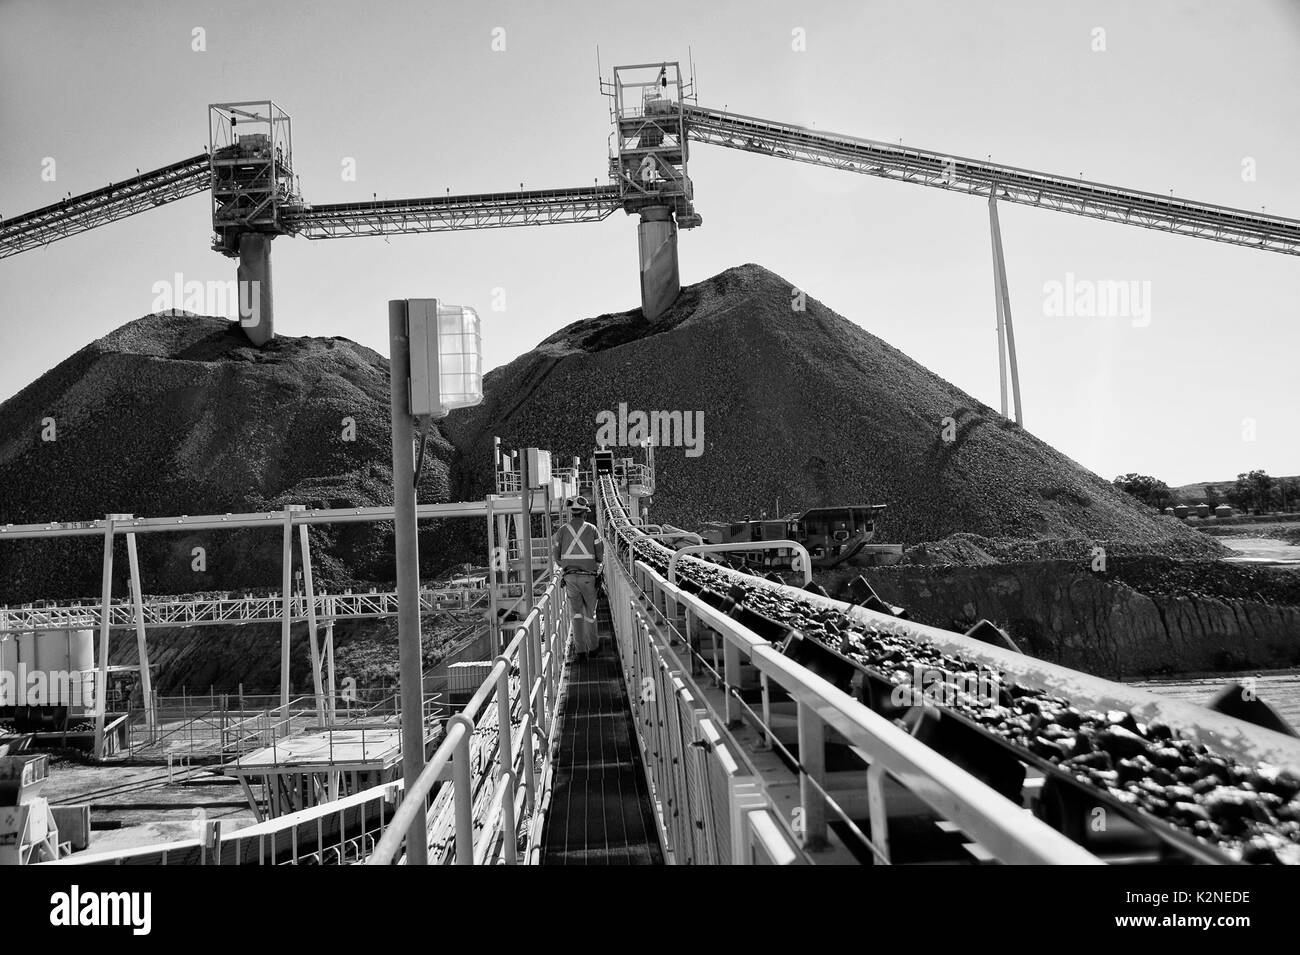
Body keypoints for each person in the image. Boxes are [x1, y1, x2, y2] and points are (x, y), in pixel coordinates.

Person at [554, 496, 604, 661]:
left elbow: (557, 556)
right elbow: (600, 556)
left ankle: (580, 652)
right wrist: (592, 564)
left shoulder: (562, 530)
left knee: (576, 614)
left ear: (572, 512)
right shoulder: (592, 529)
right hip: (588, 578)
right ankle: (594, 648)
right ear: (584, 513)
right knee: (590, 613)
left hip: (570, 578)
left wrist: (566, 565)